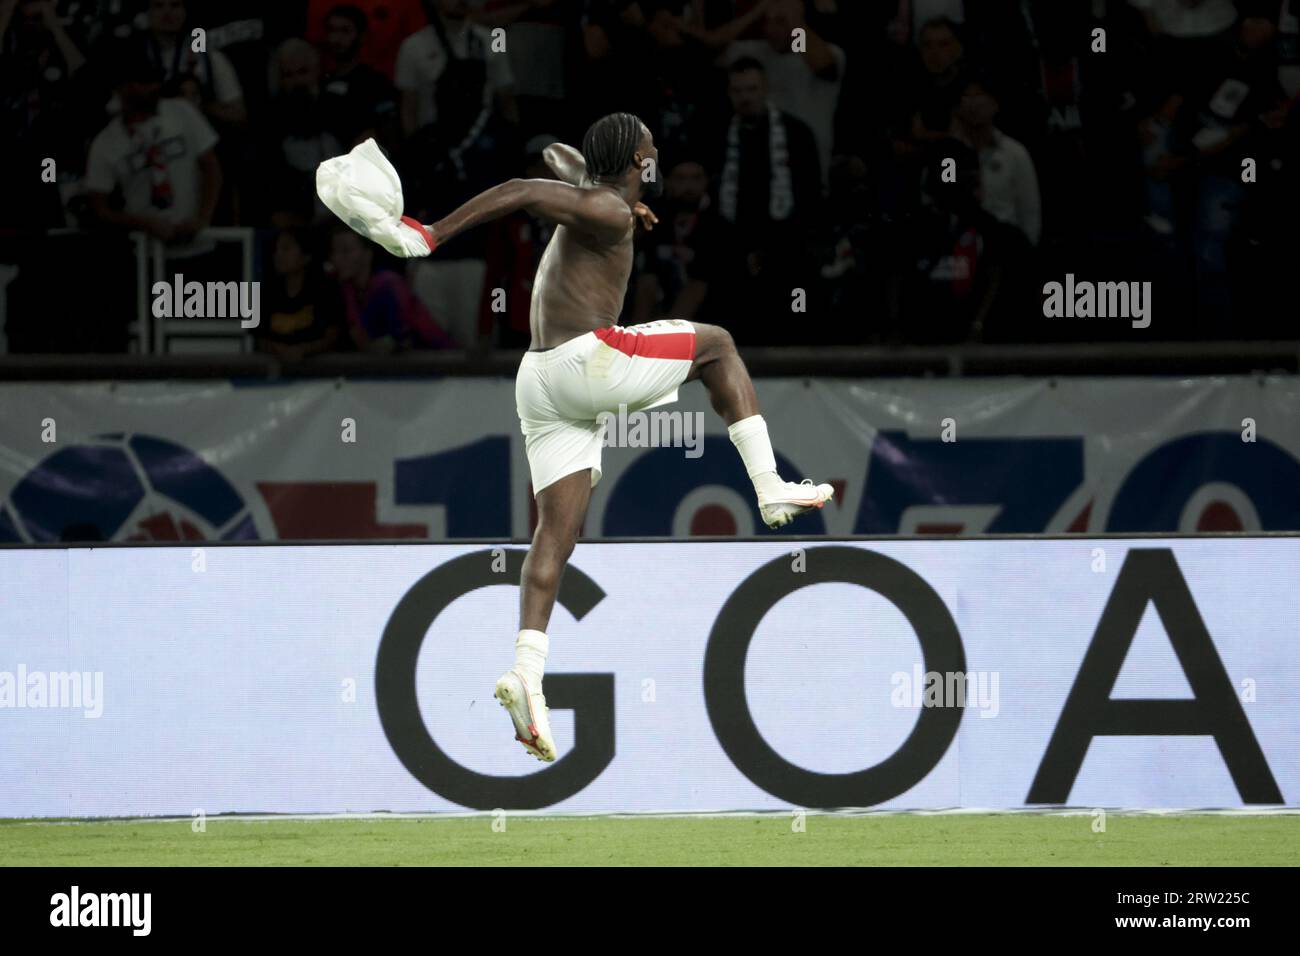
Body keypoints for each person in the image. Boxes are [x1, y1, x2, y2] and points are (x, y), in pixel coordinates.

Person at [328, 112, 833, 761]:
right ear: (634, 161)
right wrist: (433, 233)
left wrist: (605, 188)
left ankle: (526, 675)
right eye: (649, 151)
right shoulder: (607, 211)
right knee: (719, 346)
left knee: (554, 536)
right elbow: (523, 186)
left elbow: (552, 157)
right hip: (584, 361)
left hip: (538, 381)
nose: (656, 156)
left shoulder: (608, 201)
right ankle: (768, 488)